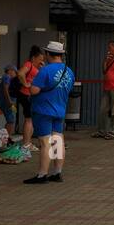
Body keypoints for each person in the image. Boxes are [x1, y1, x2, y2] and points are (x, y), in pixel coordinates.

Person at [25, 41, 74, 184]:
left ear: (47, 54)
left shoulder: (45, 70)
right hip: (60, 109)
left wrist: (29, 86)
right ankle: (57, 172)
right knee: (58, 140)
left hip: (43, 110)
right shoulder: (69, 71)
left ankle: (42, 174)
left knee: (44, 142)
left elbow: (34, 90)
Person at [17, 45, 43, 151]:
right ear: (33, 58)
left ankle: (28, 142)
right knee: (29, 119)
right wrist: (25, 84)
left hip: (31, 95)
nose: (41, 61)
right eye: (39, 59)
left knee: (31, 119)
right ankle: (26, 143)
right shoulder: (29, 64)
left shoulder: (37, 67)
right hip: (26, 95)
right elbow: (20, 73)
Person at [0, 65, 18, 140]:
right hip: (7, 102)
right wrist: (9, 101)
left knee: (11, 119)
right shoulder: (7, 77)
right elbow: (6, 89)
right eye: (15, 72)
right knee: (10, 120)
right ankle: (6, 139)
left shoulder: (8, 78)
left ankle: (7, 138)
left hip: (9, 102)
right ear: (10, 70)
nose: (15, 74)